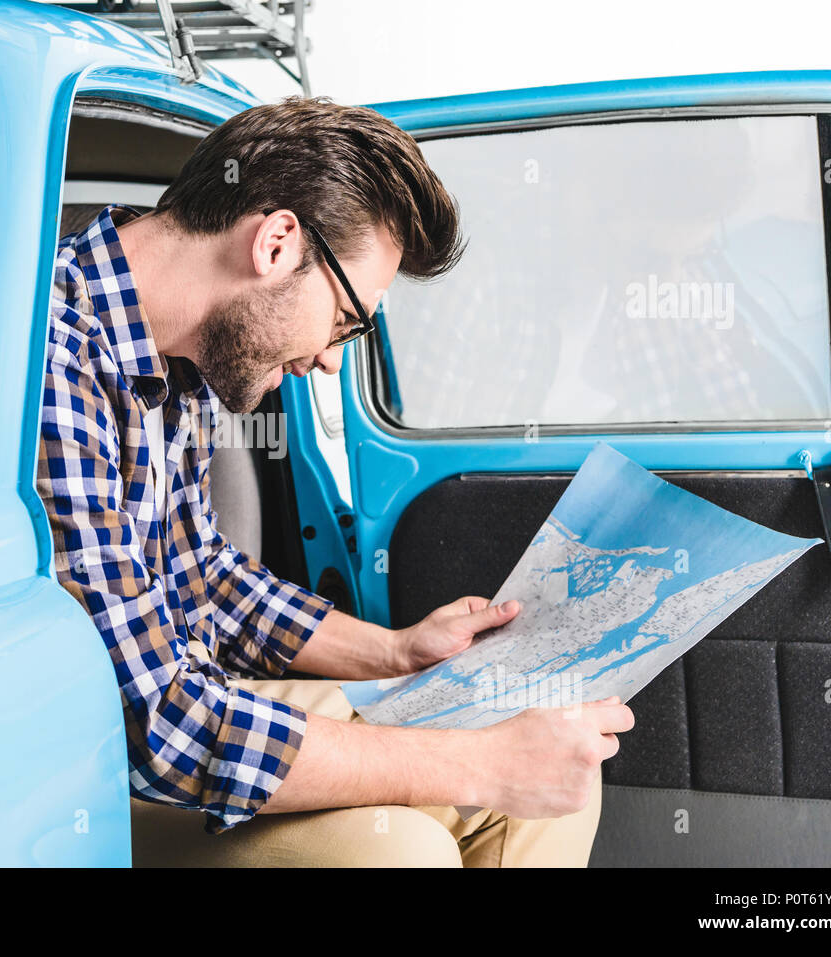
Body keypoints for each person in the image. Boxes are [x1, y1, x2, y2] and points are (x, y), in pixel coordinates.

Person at [35, 97, 634, 866]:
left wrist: (395, 651)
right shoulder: (53, 357)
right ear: (278, 243)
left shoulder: (178, 356)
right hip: (68, 779)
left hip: (165, 718)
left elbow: (205, 576)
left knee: (546, 770)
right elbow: (161, 723)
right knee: (401, 848)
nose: (329, 359)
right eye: (347, 322)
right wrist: (479, 763)